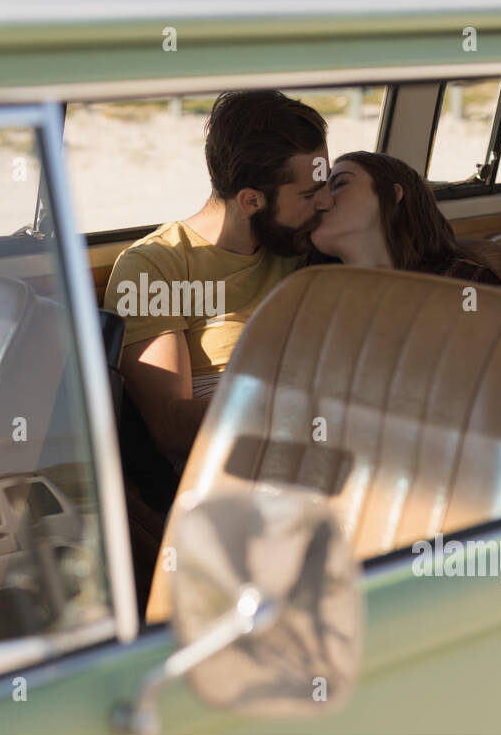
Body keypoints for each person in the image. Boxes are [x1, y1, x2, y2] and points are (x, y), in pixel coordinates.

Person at [103, 89, 333, 465]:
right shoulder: (153, 268)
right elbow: (173, 430)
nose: (325, 202)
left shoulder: (306, 242)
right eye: (310, 194)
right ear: (251, 201)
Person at [310, 151, 501, 284]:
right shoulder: (313, 293)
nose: (322, 199)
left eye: (340, 183)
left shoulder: (464, 284)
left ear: (392, 194)